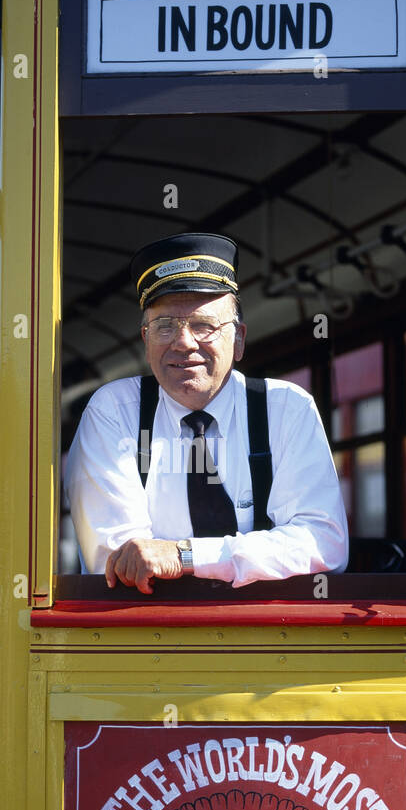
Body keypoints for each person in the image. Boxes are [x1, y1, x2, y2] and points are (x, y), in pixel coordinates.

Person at [63, 232, 349, 592]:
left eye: (204, 325)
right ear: (145, 340)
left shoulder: (287, 408)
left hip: (270, 633)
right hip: (148, 635)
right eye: (165, 326)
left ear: (239, 339)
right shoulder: (113, 412)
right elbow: (125, 561)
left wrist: (186, 555)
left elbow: (323, 543)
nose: (183, 342)